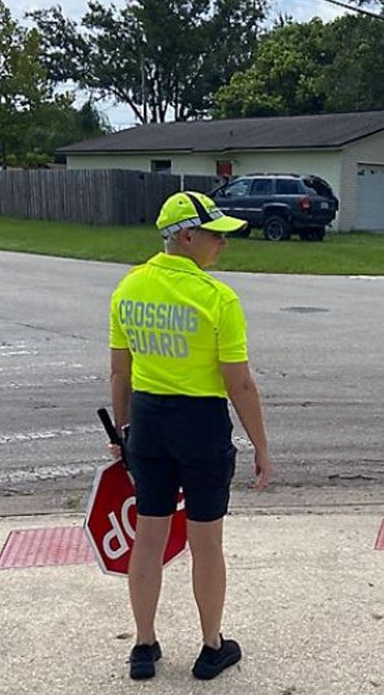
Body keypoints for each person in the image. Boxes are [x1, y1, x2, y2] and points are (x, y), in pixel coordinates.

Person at [108, 191, 272, 681]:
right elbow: (239, 382)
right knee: (206, 542)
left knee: (149, 536)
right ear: (186, 236)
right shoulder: (218, 298)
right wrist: (261, 445)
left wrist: (121, 432)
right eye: (215, 234)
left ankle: (143, 645)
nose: (222, 243)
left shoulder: (128, 288)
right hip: (200, 424)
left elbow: (121, 373)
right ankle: (210, 646)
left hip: (149, 422)